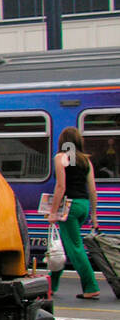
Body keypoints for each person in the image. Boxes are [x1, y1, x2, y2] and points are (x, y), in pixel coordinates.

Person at [48, 127, 101, 299]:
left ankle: (91, 286)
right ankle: (52, 286)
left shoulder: (61, 158)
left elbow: (61, 186)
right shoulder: (86, 161)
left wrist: (53, 212)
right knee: (64, 246)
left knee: (75, 248)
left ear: (62, 142)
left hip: (69, 207)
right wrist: (93, 216)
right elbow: (92, 190)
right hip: (83, 206)